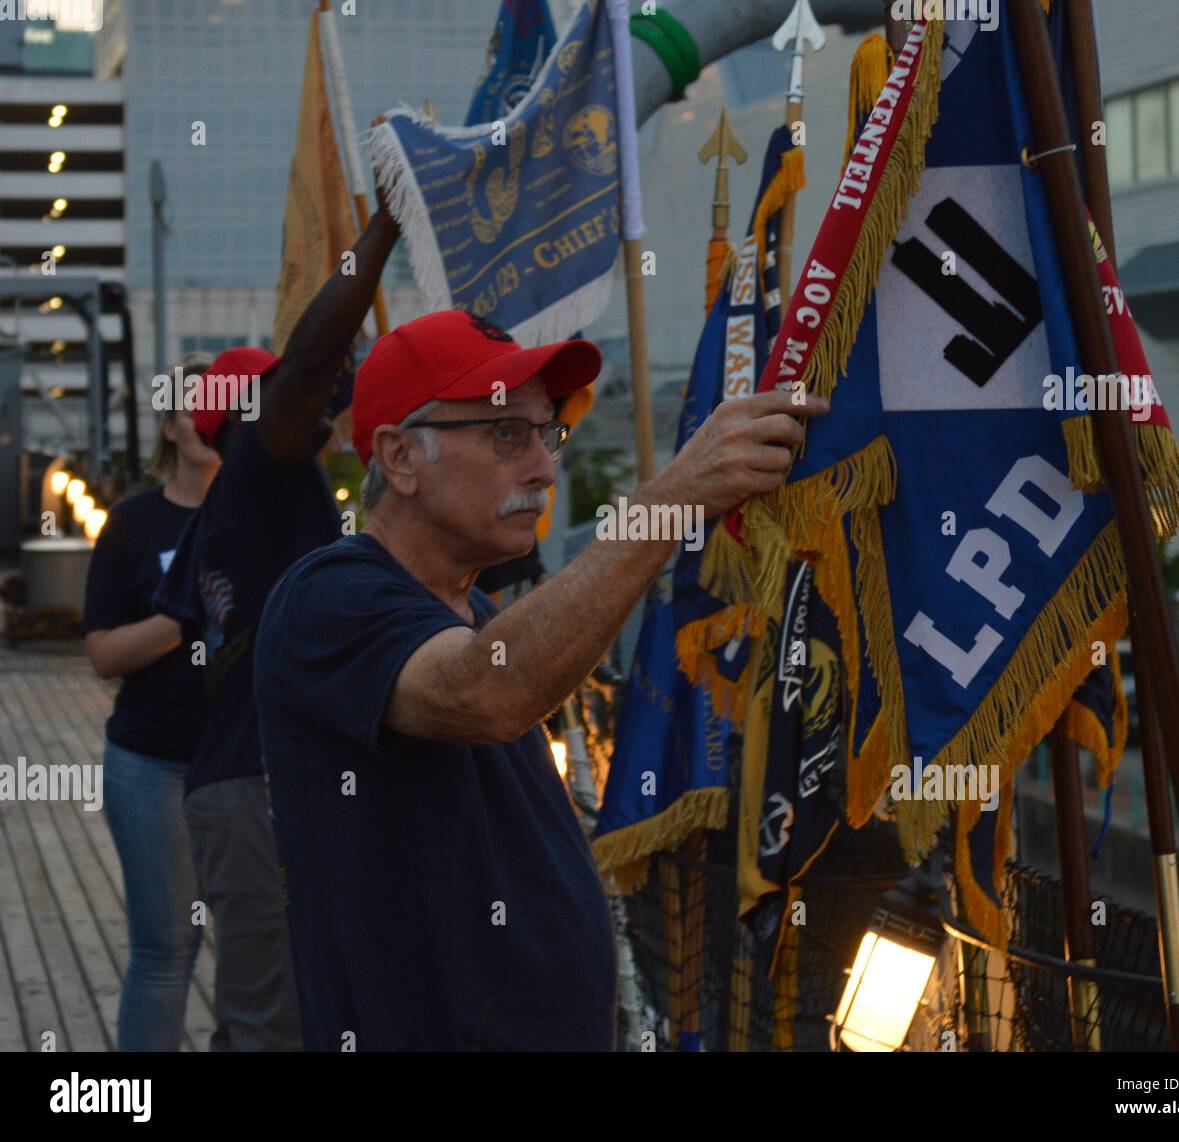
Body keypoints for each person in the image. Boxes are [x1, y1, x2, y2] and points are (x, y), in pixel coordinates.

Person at [254, 309, 827, 1050]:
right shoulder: (328, 596)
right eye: (504, 434)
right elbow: (486, 693)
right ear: (399, 458)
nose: (543, 466)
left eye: (544, 433)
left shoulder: (476, 610)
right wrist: (673, 497)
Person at [152, 200, 399, 1051]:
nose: (325, 384)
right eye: (295, 383)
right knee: (272, 1027)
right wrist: (380, 236)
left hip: (253, 784)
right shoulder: (260, 470)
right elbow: (313, 357)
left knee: (290, 1012)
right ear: (256, 408)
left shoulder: (240, 507)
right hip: (254, 790)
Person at [82, 356, 220, 1051]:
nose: (215, 416)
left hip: (250, 765)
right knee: (167, 950)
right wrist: (180, 618)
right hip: (151, 764)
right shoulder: (133, 524)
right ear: (171, 424)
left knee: (270, 950)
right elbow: (104, 654)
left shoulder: (268, 519)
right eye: (198, 404)